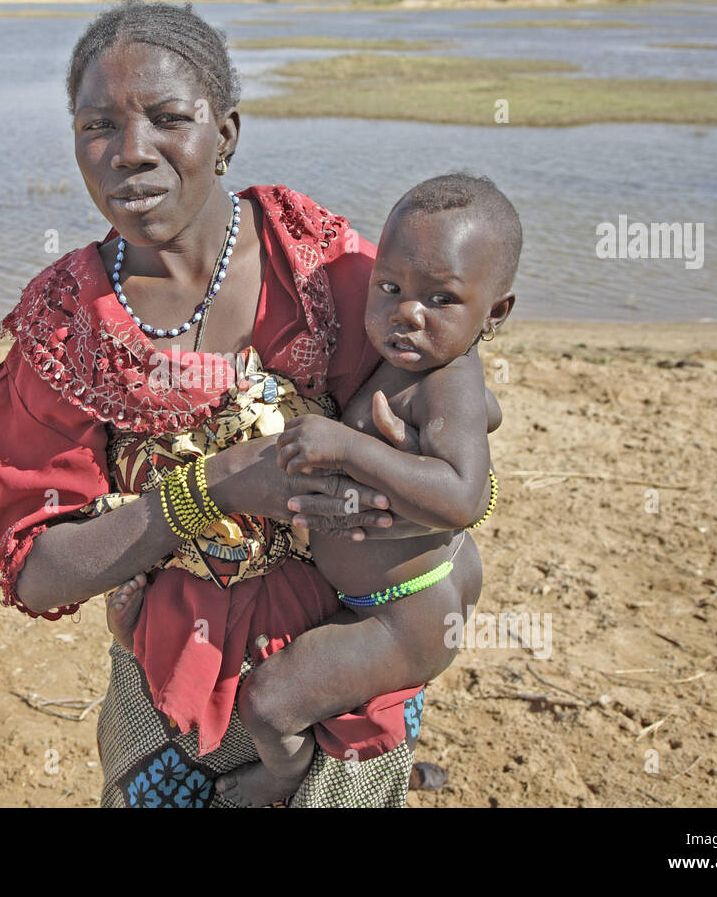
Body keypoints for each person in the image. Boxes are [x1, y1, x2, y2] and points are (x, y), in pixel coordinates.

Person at [0, 0, 497, 807]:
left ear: (228, 134)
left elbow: (460, 447)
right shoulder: (63, 332)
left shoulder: (331, 276)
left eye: (168, 118)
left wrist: (450, 516)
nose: (131, 153)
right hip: (168, 683)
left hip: (343, 671)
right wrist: (209, 491)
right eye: (96, 126)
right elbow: (40, 575)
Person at [208, 173, 519, 806]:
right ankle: (373, 750)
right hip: (411, 588)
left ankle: (283, 778)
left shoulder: (446, 379)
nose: (408, 312)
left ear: (496, 313)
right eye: (390, 287)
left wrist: (352, 448)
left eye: (442, 299)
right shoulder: (424, 362)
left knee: (269, 702)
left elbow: (462, 495)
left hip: (405, 614)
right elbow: (479, 421)